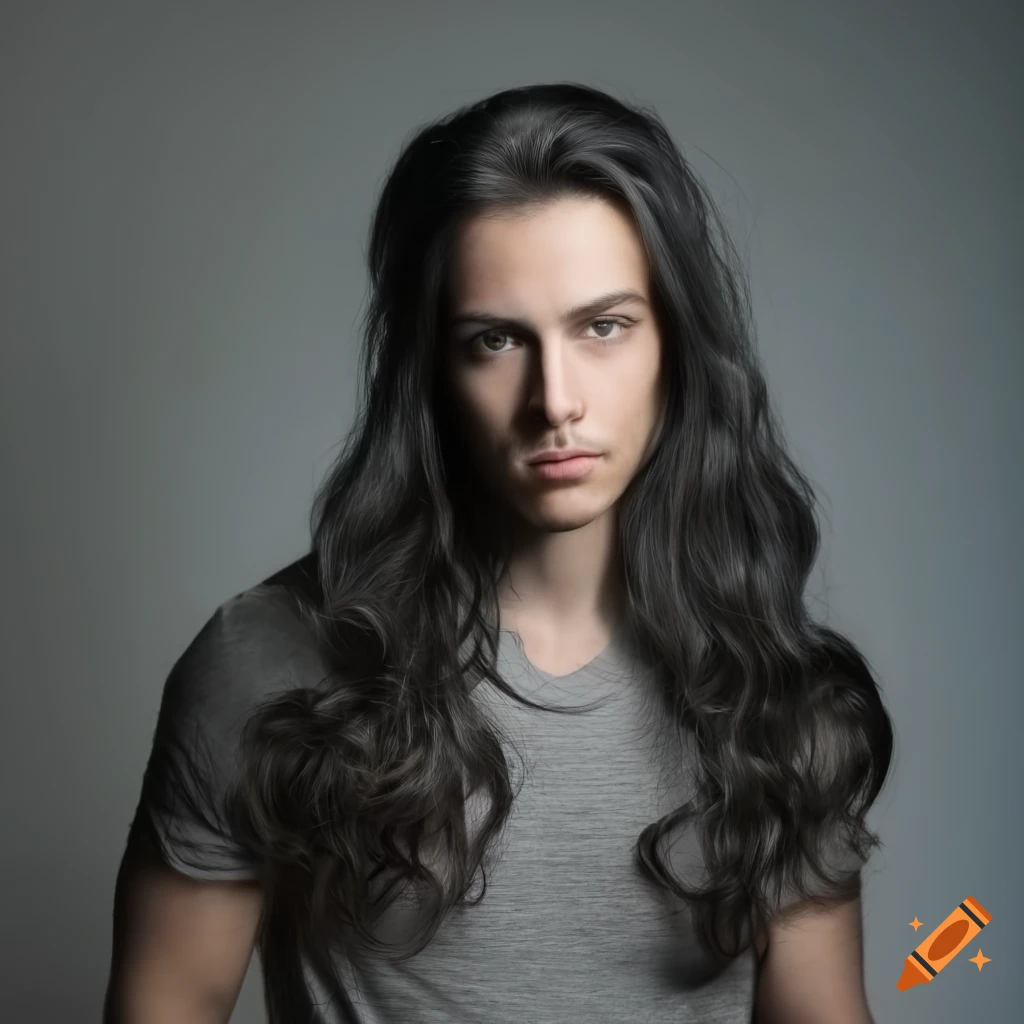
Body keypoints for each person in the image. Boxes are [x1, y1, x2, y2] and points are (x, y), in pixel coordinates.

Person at [104, 82, 894, 1024]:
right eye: (494, 341)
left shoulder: (783, 695)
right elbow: (168, 1004)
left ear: (675, 346)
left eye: (603, 327)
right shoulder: (266, 665)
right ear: (432, 374)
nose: (554, 398)